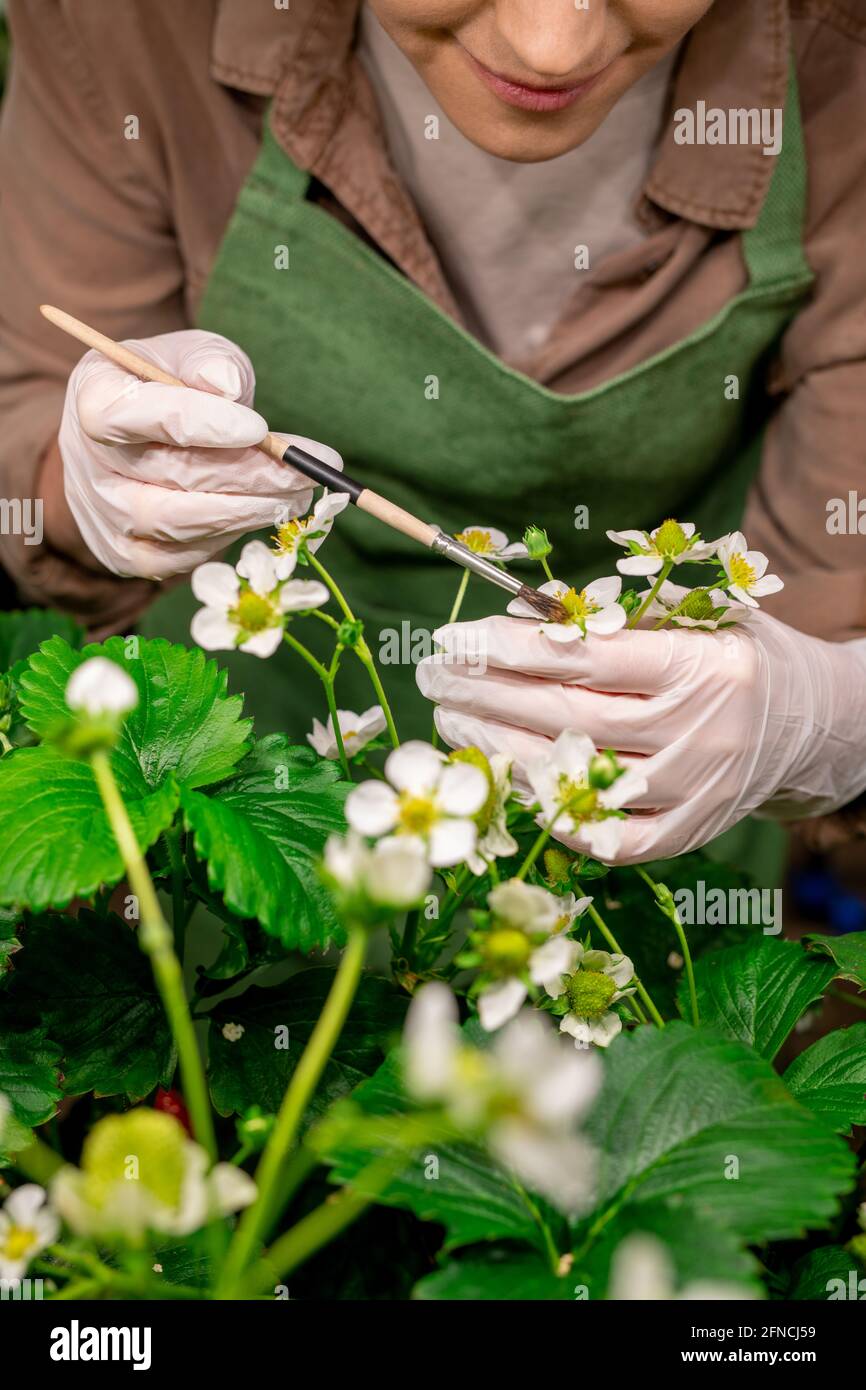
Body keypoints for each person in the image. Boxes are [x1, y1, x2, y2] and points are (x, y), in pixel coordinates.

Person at [0, 0, 864, 865]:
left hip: (662, 844)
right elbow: (31, 433)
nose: (550, 49)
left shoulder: (843, 61)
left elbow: (838, 596)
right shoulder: (127, 24)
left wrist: (828, 718)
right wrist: (95, 481)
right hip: (231, 806)